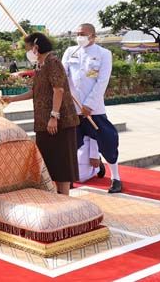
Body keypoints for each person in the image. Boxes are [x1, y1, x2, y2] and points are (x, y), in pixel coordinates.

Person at [3, 33, 80, 195]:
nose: (27, 51)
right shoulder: (40, 65)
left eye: (28, 48)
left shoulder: (53, 62)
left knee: (62, 163)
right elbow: (35, 91)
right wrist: (12, 99)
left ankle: (64, 199)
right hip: (43, 122)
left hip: (60, 122)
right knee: (49, 162)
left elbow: (58, 89)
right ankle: (54, 198)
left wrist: (54, 116)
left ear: (36, 47)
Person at [63, 23, 123, 194]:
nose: (79, 36)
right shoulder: (70, 52)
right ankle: (69, 178)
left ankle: (116, 178)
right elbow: (62, 75)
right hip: (73, 108)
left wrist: (89, 104)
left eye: (83, 33)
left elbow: (102, 81)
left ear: (93, 36)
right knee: (71, 145)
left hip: (93, 109)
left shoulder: (104, 54)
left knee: (108, 141)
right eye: (77, 33)